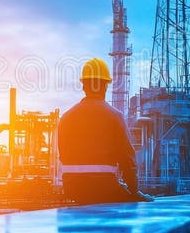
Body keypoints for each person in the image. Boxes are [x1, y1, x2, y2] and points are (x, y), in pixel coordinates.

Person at [57, 58, 152, 204]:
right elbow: (128, 159)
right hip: (105, 188)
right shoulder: (115, 116)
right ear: (105, 86)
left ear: (83, 85)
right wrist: (133, 191)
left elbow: (63, 156)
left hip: (73, 188)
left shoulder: (66, 118)